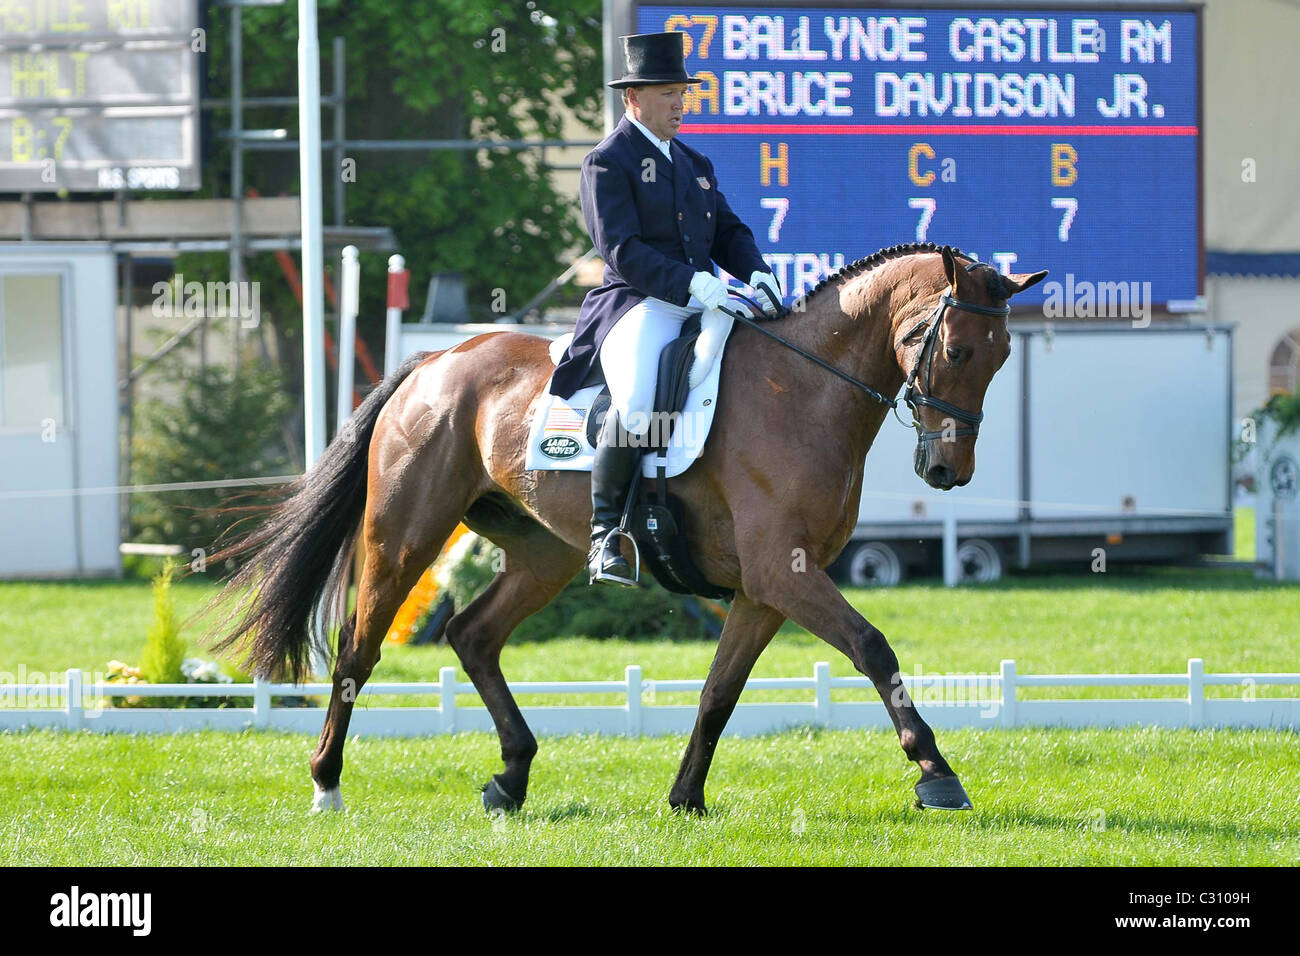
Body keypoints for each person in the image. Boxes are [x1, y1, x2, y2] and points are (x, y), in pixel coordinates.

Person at [549, 31, 783, 587]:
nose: (680, 103)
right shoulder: (607, 162)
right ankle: (605, 534)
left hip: (702, 303)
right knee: (634, 405)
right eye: (666, 94)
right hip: (638, 304)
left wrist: (755, 270)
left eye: (682, 92)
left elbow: (728, 230)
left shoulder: (695, 162)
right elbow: (622, 250)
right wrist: (693, 284)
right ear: (634, 99)